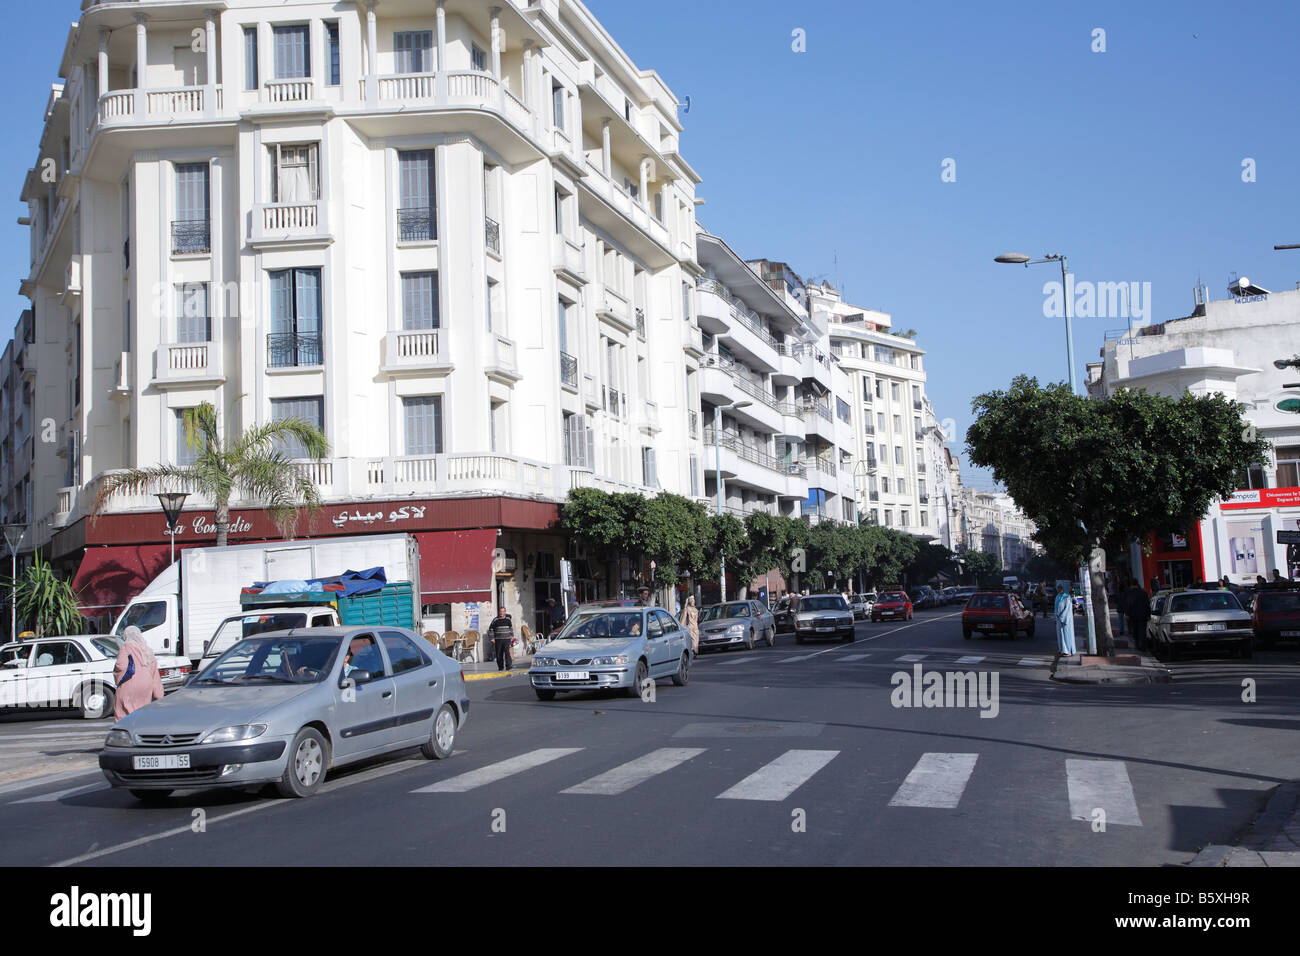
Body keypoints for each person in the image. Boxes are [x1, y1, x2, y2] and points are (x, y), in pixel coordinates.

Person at [113, 625, 164, 719]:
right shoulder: (147, 650)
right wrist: (158, 695)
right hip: (146, 686)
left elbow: (120, 666)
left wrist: (117, 677)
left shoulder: (126, 647)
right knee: (142, 712)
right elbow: (155, 675)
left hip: (129, 684)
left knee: (123, 713)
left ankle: (125, 732)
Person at [1124, 582, 1151, 650]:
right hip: (1143, 615)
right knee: (1142, 631)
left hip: (1133, 616)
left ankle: (1138, 645)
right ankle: (1143, 645)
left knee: (1135, 631)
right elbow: (1147, 604)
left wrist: (1127, 614)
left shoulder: (1130, 594)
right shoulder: (1143, 593)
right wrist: (1148, 614)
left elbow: (1128, 605)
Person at [1053, 580, 1076, 656]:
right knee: (1060, 635)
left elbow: (1067, 609)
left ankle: (1068, 651)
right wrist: (1056, 617)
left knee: (1066, 635)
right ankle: (1062, 650)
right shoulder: (1057, 597)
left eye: (1060, 588)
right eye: (1058, 588)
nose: (1059, 589)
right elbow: (1055, 608)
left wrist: (1062, 617)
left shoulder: (1067, 597)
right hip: (1059, 619)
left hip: (1066, 620)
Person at [487, 606, 514, 671]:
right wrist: (492, 638)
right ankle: (500, 667)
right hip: (498, 639)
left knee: (507, 652)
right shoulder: (495, 620)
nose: (501, 613)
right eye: (500, 611)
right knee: (499, 654)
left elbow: (510, 628)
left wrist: (512, 636)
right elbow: (490, 629)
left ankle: (508, 666)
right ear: (499, 612)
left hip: (507, 639)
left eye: (503, 611)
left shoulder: (508, 619)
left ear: (505, 612)